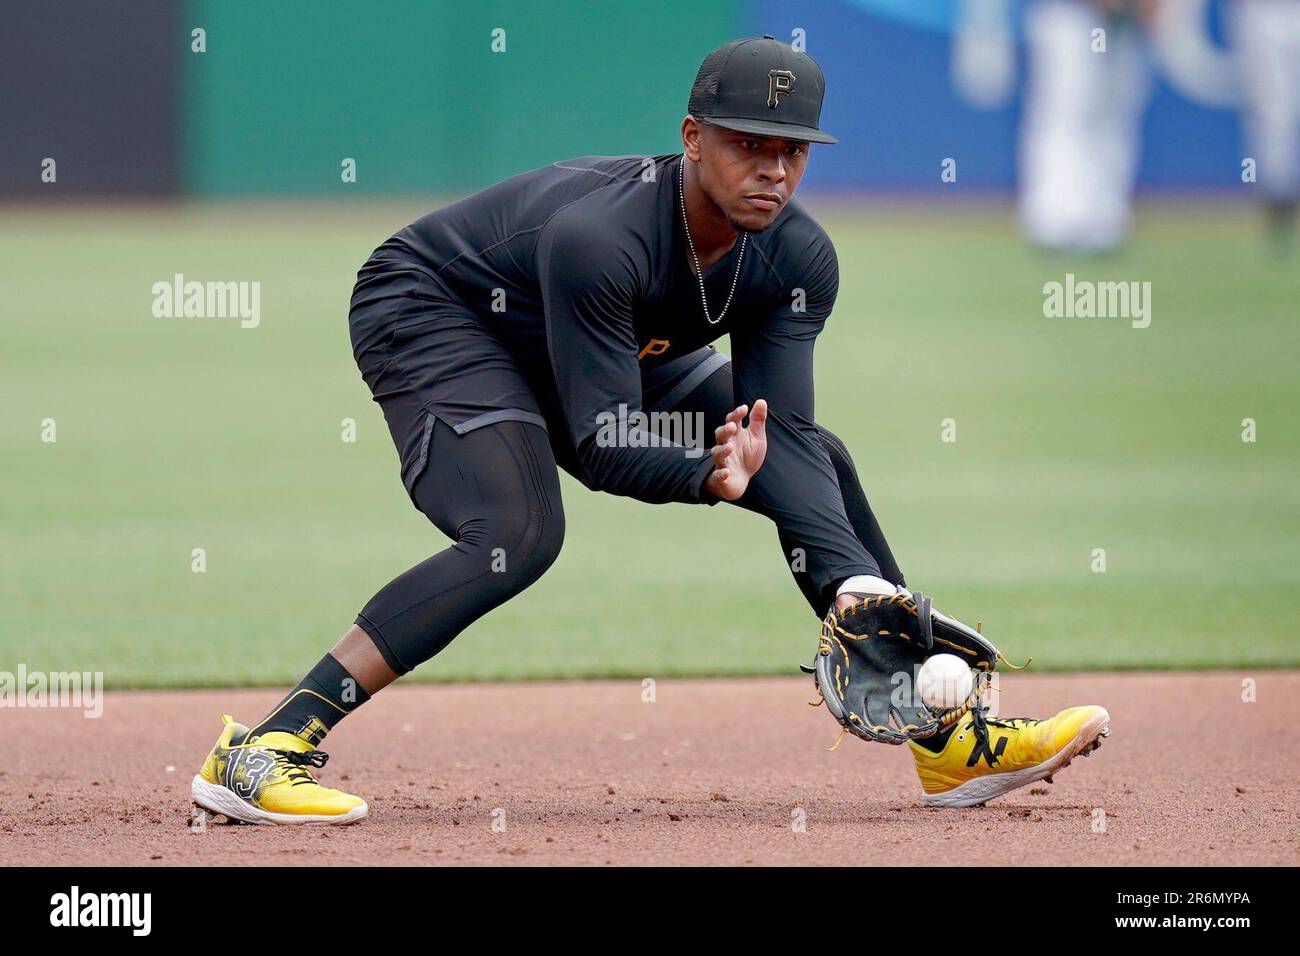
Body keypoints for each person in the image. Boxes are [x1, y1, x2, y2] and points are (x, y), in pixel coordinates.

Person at [190, 36, 1108, 825]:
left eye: (793, 151)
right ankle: (267, 746)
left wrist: (857, 586)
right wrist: (702, 474)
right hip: (442, 311)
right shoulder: (604, 236)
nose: (774, 172)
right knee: (516, 535)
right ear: (692, 139)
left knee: (818, 459)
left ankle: (945, 738)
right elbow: (600, 443)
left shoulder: (796, 255)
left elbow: (781, 436)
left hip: (599, 338)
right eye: (750, 146)